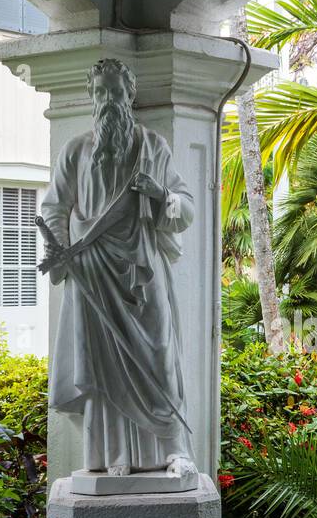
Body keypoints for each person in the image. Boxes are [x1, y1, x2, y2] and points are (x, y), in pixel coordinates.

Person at [39, 58, 198, 480]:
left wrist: (160, 193)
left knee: (159, 358)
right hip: (94, 274)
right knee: (103, 363)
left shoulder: (154, 147)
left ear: (130, 96)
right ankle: (113, 454)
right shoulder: (75, 150)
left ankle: (172, 449)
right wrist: (60, 249)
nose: (109, 100)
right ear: (92, 97)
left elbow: (187, 209)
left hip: (143, 271)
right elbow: (55, 207)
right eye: (101, 92)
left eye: (116, 92)